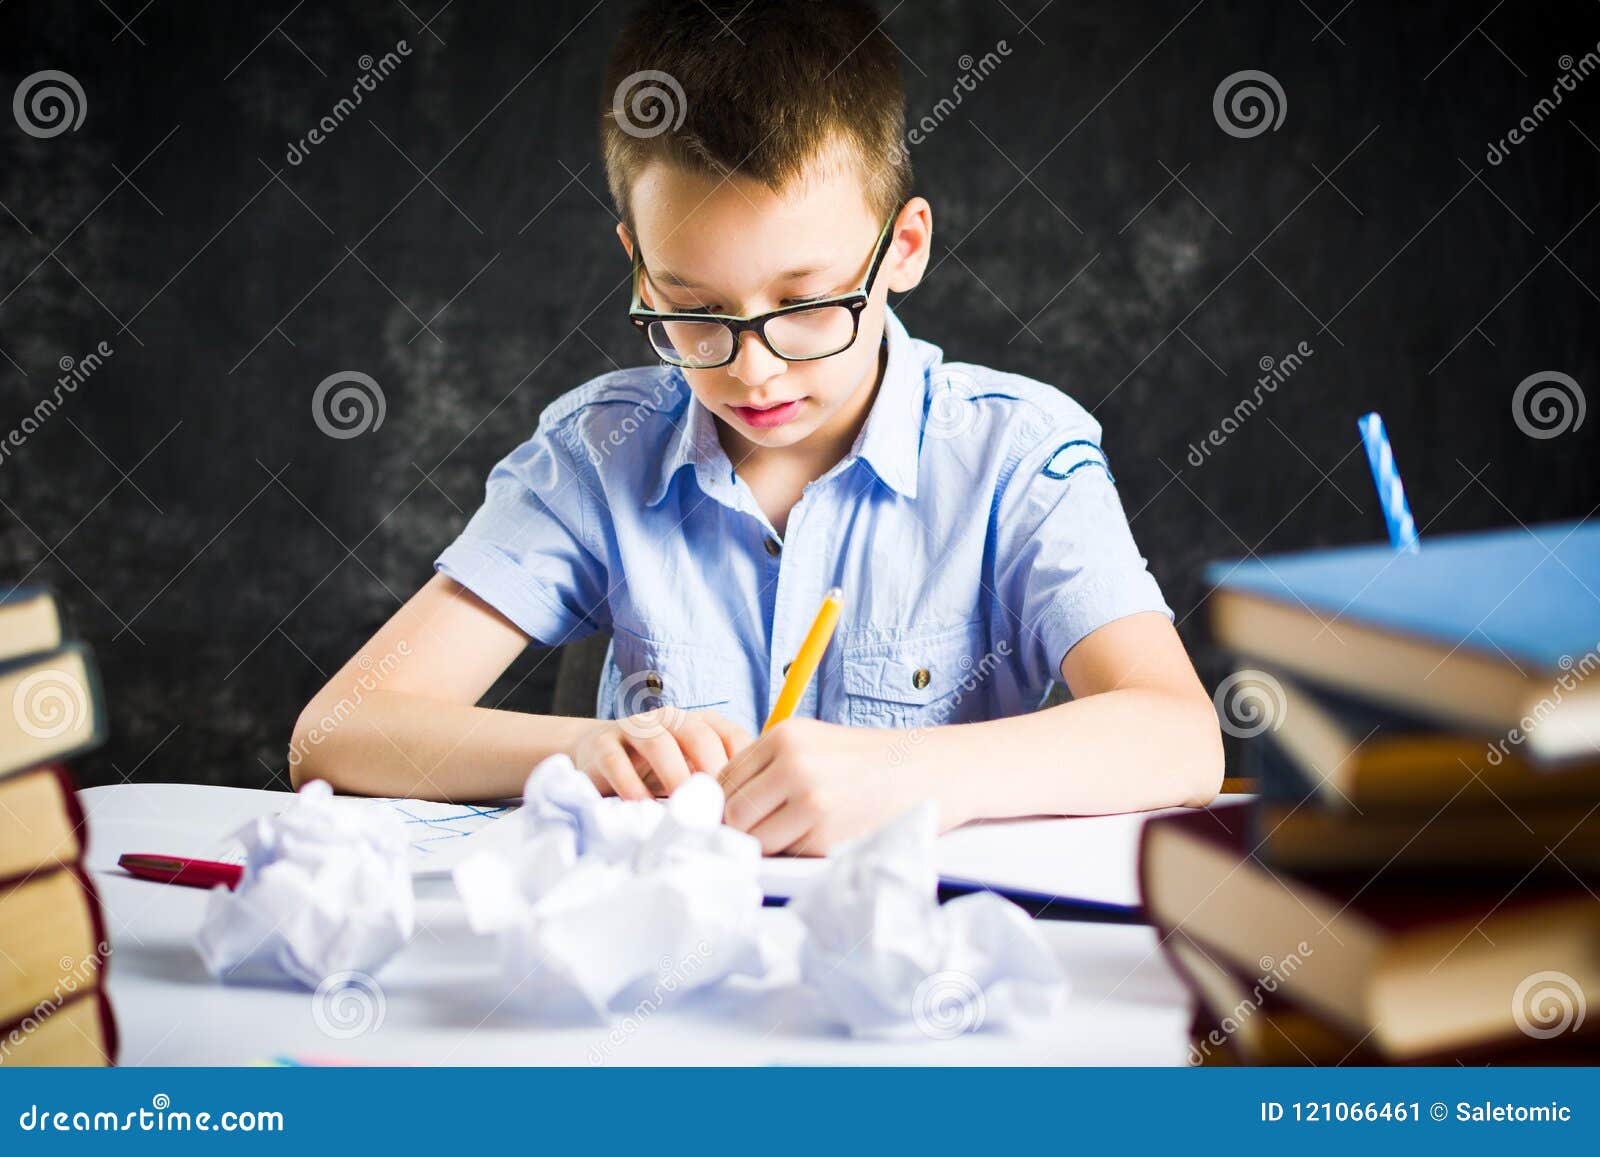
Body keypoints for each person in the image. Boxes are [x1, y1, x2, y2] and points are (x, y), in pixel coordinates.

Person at [291, 0, 1223, 854]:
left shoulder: (1012, 457)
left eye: (808, 303)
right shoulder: (599, 453)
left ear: (903, 248)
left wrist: (910, 776)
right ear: (639, 268)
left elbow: (1180, 735)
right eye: (692, 309)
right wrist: (588, 751)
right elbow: (336, 736)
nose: (753, 367)